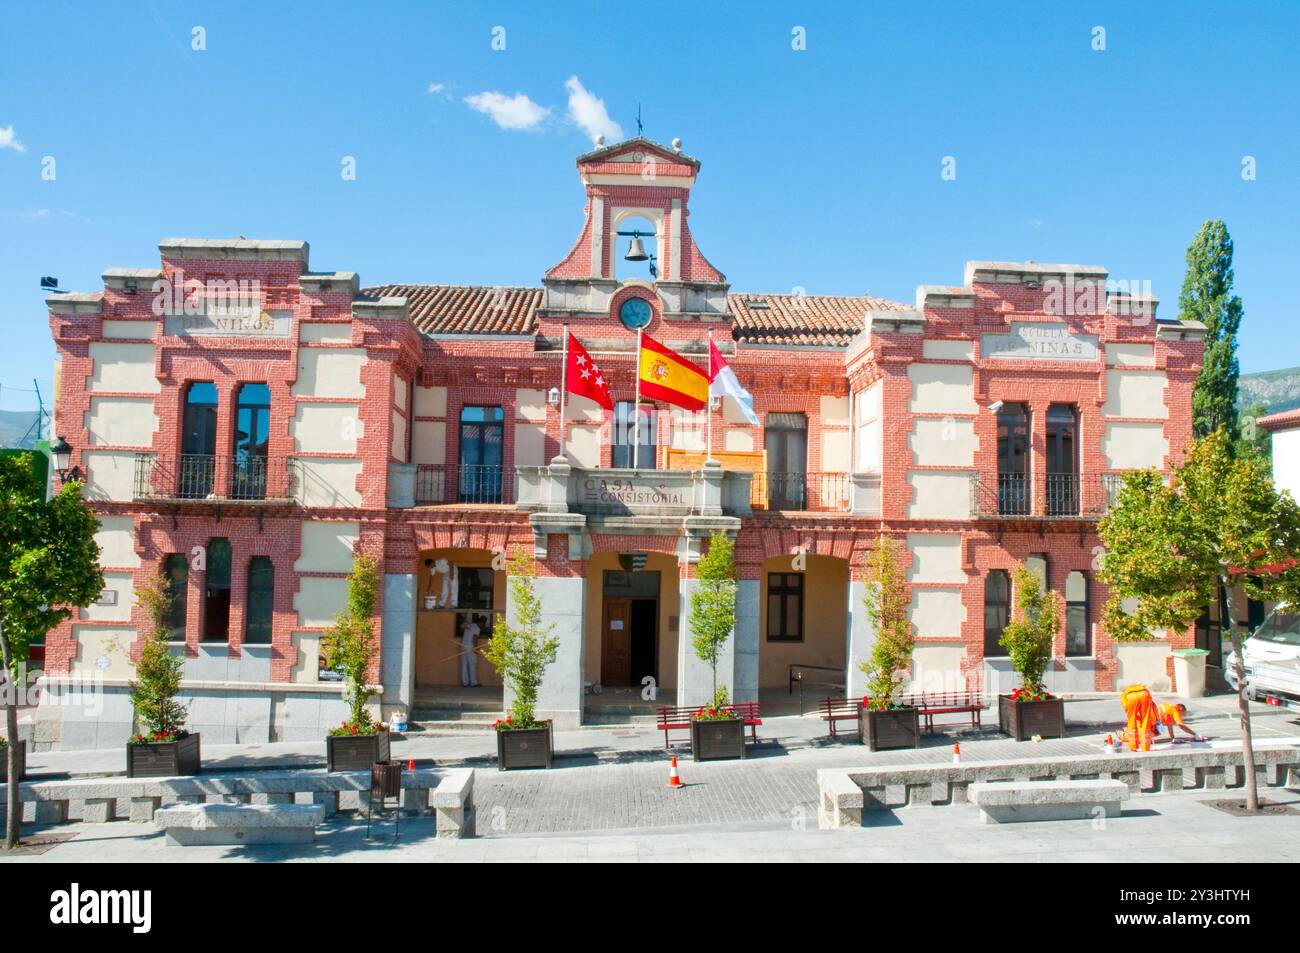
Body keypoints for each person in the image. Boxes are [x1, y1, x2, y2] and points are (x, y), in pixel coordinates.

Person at [1120, 684, 1158, 752]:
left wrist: (1136, 717)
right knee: (1145, 722)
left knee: (1132, 722)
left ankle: (1133, 747)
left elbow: (1128, 712)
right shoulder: (1143, 689)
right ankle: (1145, 748)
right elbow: (1153, 704)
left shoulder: (1124, 695)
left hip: (1130, 697)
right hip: (1144, 694)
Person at [459, 614, 481, 687]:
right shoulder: (477, 628)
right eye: (482, 624)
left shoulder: (468, 625)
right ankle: (473, 683)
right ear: (480, 623)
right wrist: (476, 649)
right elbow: (475, 638)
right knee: (472, 665)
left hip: (463, 648)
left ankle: (465, 683)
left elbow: (462, 627)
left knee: (464, 666)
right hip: (470, 649)